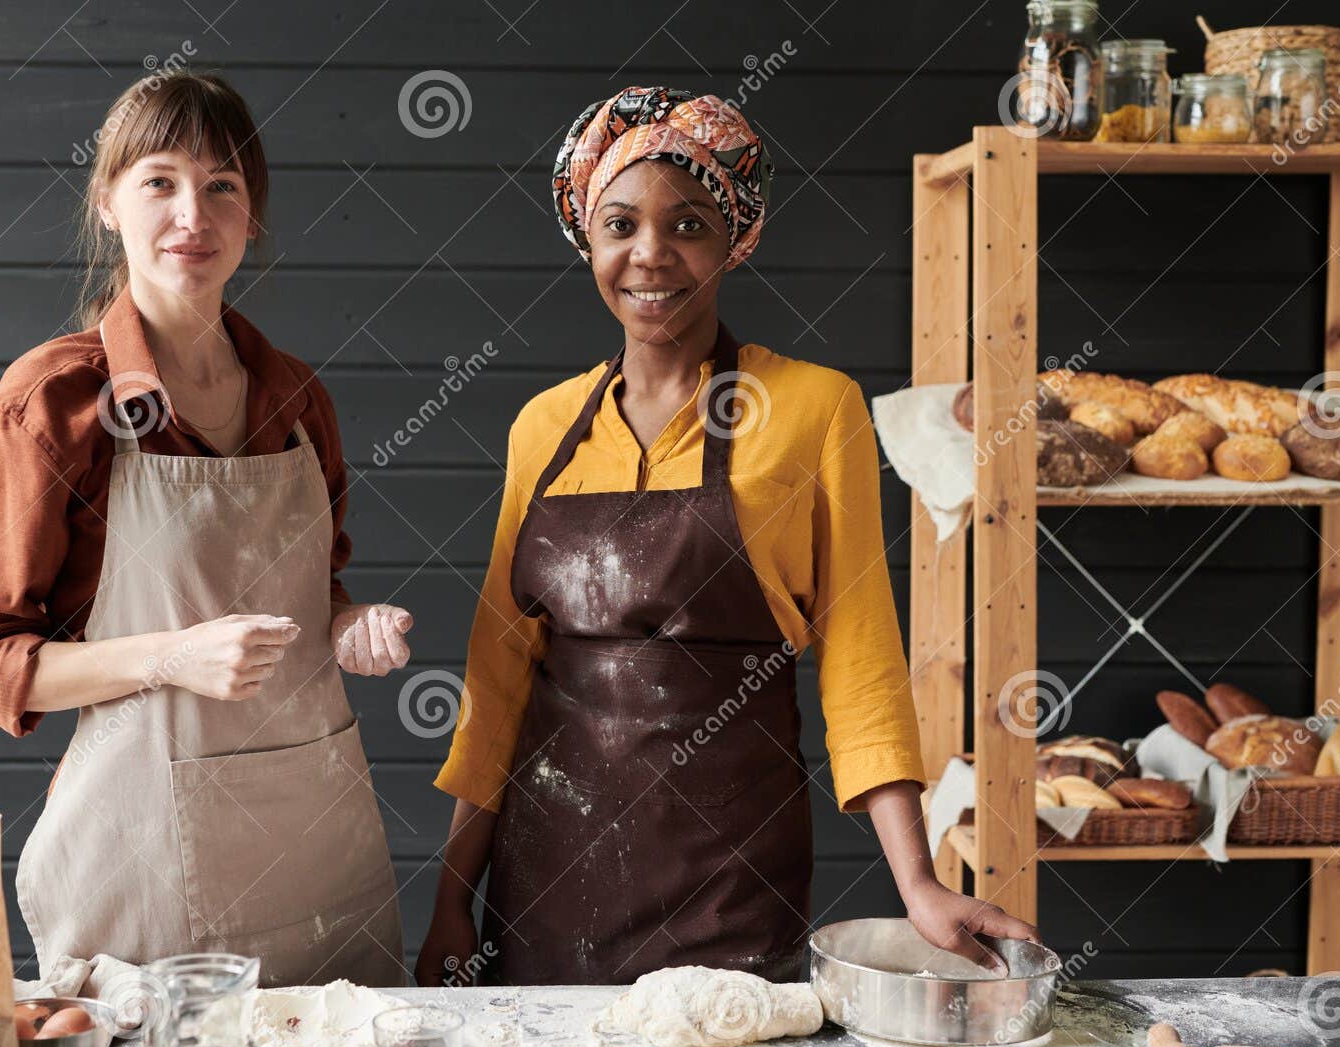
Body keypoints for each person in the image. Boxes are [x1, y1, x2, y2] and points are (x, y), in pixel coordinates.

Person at [417, 86, 1036, 988]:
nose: (651, 254)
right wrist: (448, 902)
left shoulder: (816, 408)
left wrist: (920, 885)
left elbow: (860, 664)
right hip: (544, 882)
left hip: (729, 888)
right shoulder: (540, 429)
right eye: (620, 223)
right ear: (587, 238)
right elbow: (496, 686)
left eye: (690, 224)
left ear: (736, 239)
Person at [0, 72, 410, 992]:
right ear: (107, 202)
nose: (194, 211)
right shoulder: (52, 404)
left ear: (252, 215)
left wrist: (348, 624)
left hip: (318, 856)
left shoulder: (297, 400)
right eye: (159, 180)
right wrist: (169, 657)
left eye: (222, 184)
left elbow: (316, 589)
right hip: (143, 873)